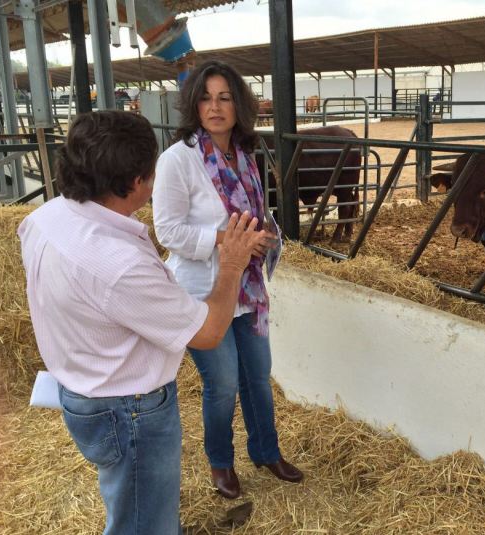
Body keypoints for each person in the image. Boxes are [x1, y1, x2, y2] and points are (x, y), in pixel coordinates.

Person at [18, 110, 272, 534]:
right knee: (142, 522)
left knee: (133, 501)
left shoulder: (47, 218)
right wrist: (231, 264)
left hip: (82, 390)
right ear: (137, 182)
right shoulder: (121, 265)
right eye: (150, 174)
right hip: (129, 410)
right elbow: (208, 333)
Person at [152, 60, 304, 500]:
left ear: (239, 105)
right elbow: (169, 231)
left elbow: (253, 215)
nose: (215, 107)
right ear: (193, 104)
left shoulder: (244, 155)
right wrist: (229, 242)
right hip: (203, 291)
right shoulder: (177, 159)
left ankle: (266, 451)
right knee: (221, 385)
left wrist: (265, 235)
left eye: (224, 97)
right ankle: (221, 463)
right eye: (205, 97)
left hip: (248, 289)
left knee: (257, 376)